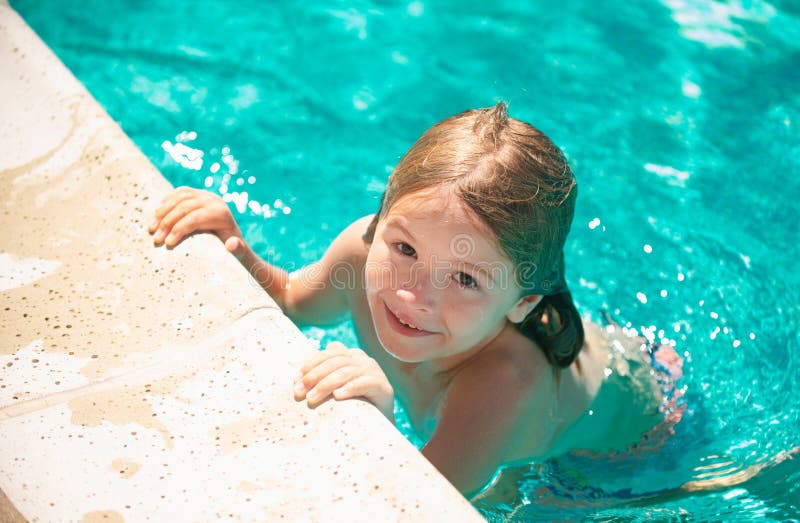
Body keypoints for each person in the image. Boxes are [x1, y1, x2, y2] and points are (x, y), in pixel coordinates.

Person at [148, 102, 681, 498]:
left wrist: (378, 421)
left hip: (628, 441)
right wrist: (234, 247)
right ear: (380, 219)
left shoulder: (503, 385)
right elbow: (289, 297)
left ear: (521, 304)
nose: (412, 295)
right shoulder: (359, 255)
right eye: (404, 247)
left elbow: (421, 503)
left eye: (466, 280)